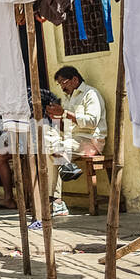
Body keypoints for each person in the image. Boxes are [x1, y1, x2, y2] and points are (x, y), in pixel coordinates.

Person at [43, 65, 107, 217]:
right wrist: (56, 117)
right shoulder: (68, 97)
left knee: (56, 151)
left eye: (63, 82)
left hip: (90, 141)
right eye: (59, 84)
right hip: (72, 139)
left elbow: (91, 122)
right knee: (45, 138)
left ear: (75, 79)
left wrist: (64, 113)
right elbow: (67, 125)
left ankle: (56, 202)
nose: (62, 87)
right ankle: (66, 166)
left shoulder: (91, 94)